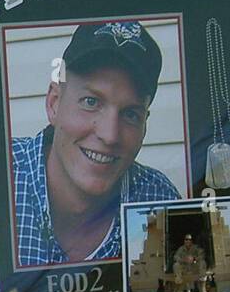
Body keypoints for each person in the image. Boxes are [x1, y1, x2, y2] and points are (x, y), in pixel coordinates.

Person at [10, 20, 182, 266]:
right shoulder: (0, 176)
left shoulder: (158, 201)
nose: (110, 135)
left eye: (131, 114)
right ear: (54, 103)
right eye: (91, 102)